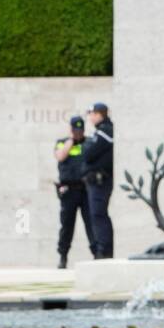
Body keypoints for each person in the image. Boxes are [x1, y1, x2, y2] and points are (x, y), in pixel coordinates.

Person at [54, 115, 96, 269]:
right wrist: (71, 141)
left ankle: (97, 254)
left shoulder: (90, 142)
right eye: (75, 129)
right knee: (67, 225)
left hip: (86, 189)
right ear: (71, 130)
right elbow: (60, 156)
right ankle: (63, 256)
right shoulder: (62, 143)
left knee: (91, 223)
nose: (78, 132)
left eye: (80, 129)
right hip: (69, 191)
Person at [82, 101, 115, 258]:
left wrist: (86, 146)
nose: (89, 117)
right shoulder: (101, 131)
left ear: (98, 114)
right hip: (94, 181)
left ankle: (104, 250)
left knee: (98, 215)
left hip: (100, 181)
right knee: (96, 215)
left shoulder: (105, 131)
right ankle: (102, 249)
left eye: (91, 114)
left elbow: (88, 154)